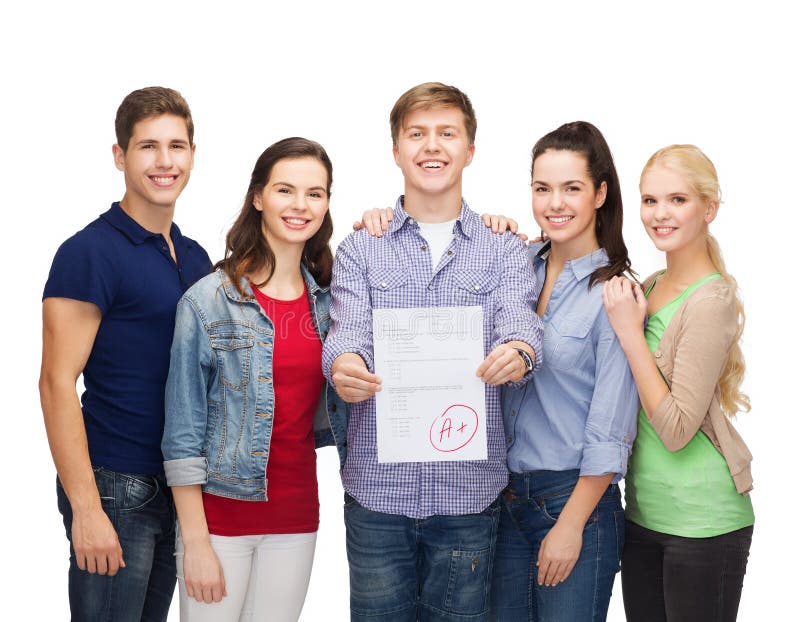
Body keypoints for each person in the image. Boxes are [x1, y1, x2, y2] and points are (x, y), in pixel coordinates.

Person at [322, 81, 543, 621]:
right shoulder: (360, 249)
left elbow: (521, 322)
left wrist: (518, 351)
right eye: (416, 134)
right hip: (378, 492)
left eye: (448, 133)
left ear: (470, 149)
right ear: (395, 150)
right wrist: (344, 365)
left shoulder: (505, 250)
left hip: (469, 494)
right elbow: (345, 332)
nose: (432, 146)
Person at [39, 86, 212, 621]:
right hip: (115, 488)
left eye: (178, 146)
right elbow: (55, 382)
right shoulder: (89, 252)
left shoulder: (194, 256)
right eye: (148, 147)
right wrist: (87, 509)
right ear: (120, 156)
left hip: (178, 487)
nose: (166, 161)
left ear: (192, 155)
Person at [161, 137, 348, 621]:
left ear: (327, 205)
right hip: (219, 522)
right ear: (259, 197)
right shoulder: (207, 302)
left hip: (296, 517)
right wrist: (196, 542)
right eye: (286, 190)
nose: (300, 206)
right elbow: (182, 434)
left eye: (315, 193)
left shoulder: (330, 303)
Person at [487, 122, 639, 621]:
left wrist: (571, 524)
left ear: (599, 193)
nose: (555, 203)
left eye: (571, 188)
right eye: (542, 188)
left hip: (574, 501)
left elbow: (611, 426)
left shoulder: (615, 292)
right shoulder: (515, 266)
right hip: (505, 499)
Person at [603, 144, 754, 622]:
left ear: (709, 209)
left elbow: (676, 429)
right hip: (644, 513)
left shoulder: (712, 300)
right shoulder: (646, 288)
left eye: (677, 200)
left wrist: (631, 334)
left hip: (704, 519)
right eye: (649, 200)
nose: (659, 214)